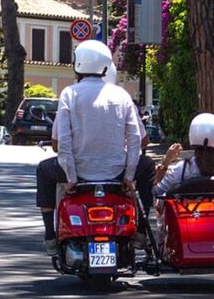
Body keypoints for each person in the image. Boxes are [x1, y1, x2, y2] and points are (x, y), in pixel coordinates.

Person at [36, 40, 142, 256]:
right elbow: (135, 139)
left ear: (78, 64)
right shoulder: (121, 95)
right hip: (116, 172)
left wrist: (71, 177)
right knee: (147, 171)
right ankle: (140, 232)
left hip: (80, 173)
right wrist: (129, 177)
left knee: (43, 170)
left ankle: (49, 235)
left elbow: (63, 142)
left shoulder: (70, 94)